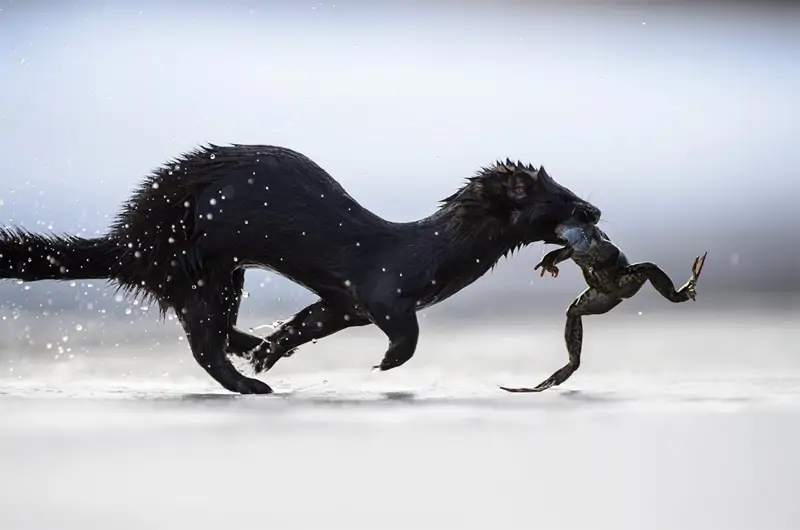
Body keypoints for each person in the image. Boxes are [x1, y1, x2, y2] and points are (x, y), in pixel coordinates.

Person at [501, 219, 707, 393]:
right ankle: (571, 364)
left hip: (621, 280)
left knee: (648, 268)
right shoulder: (573, 248)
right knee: (572, 312)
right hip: (602, 292)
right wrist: (549, 262)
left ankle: (678, 294)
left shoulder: (593, 237)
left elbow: (599, 247)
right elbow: (559, 254)